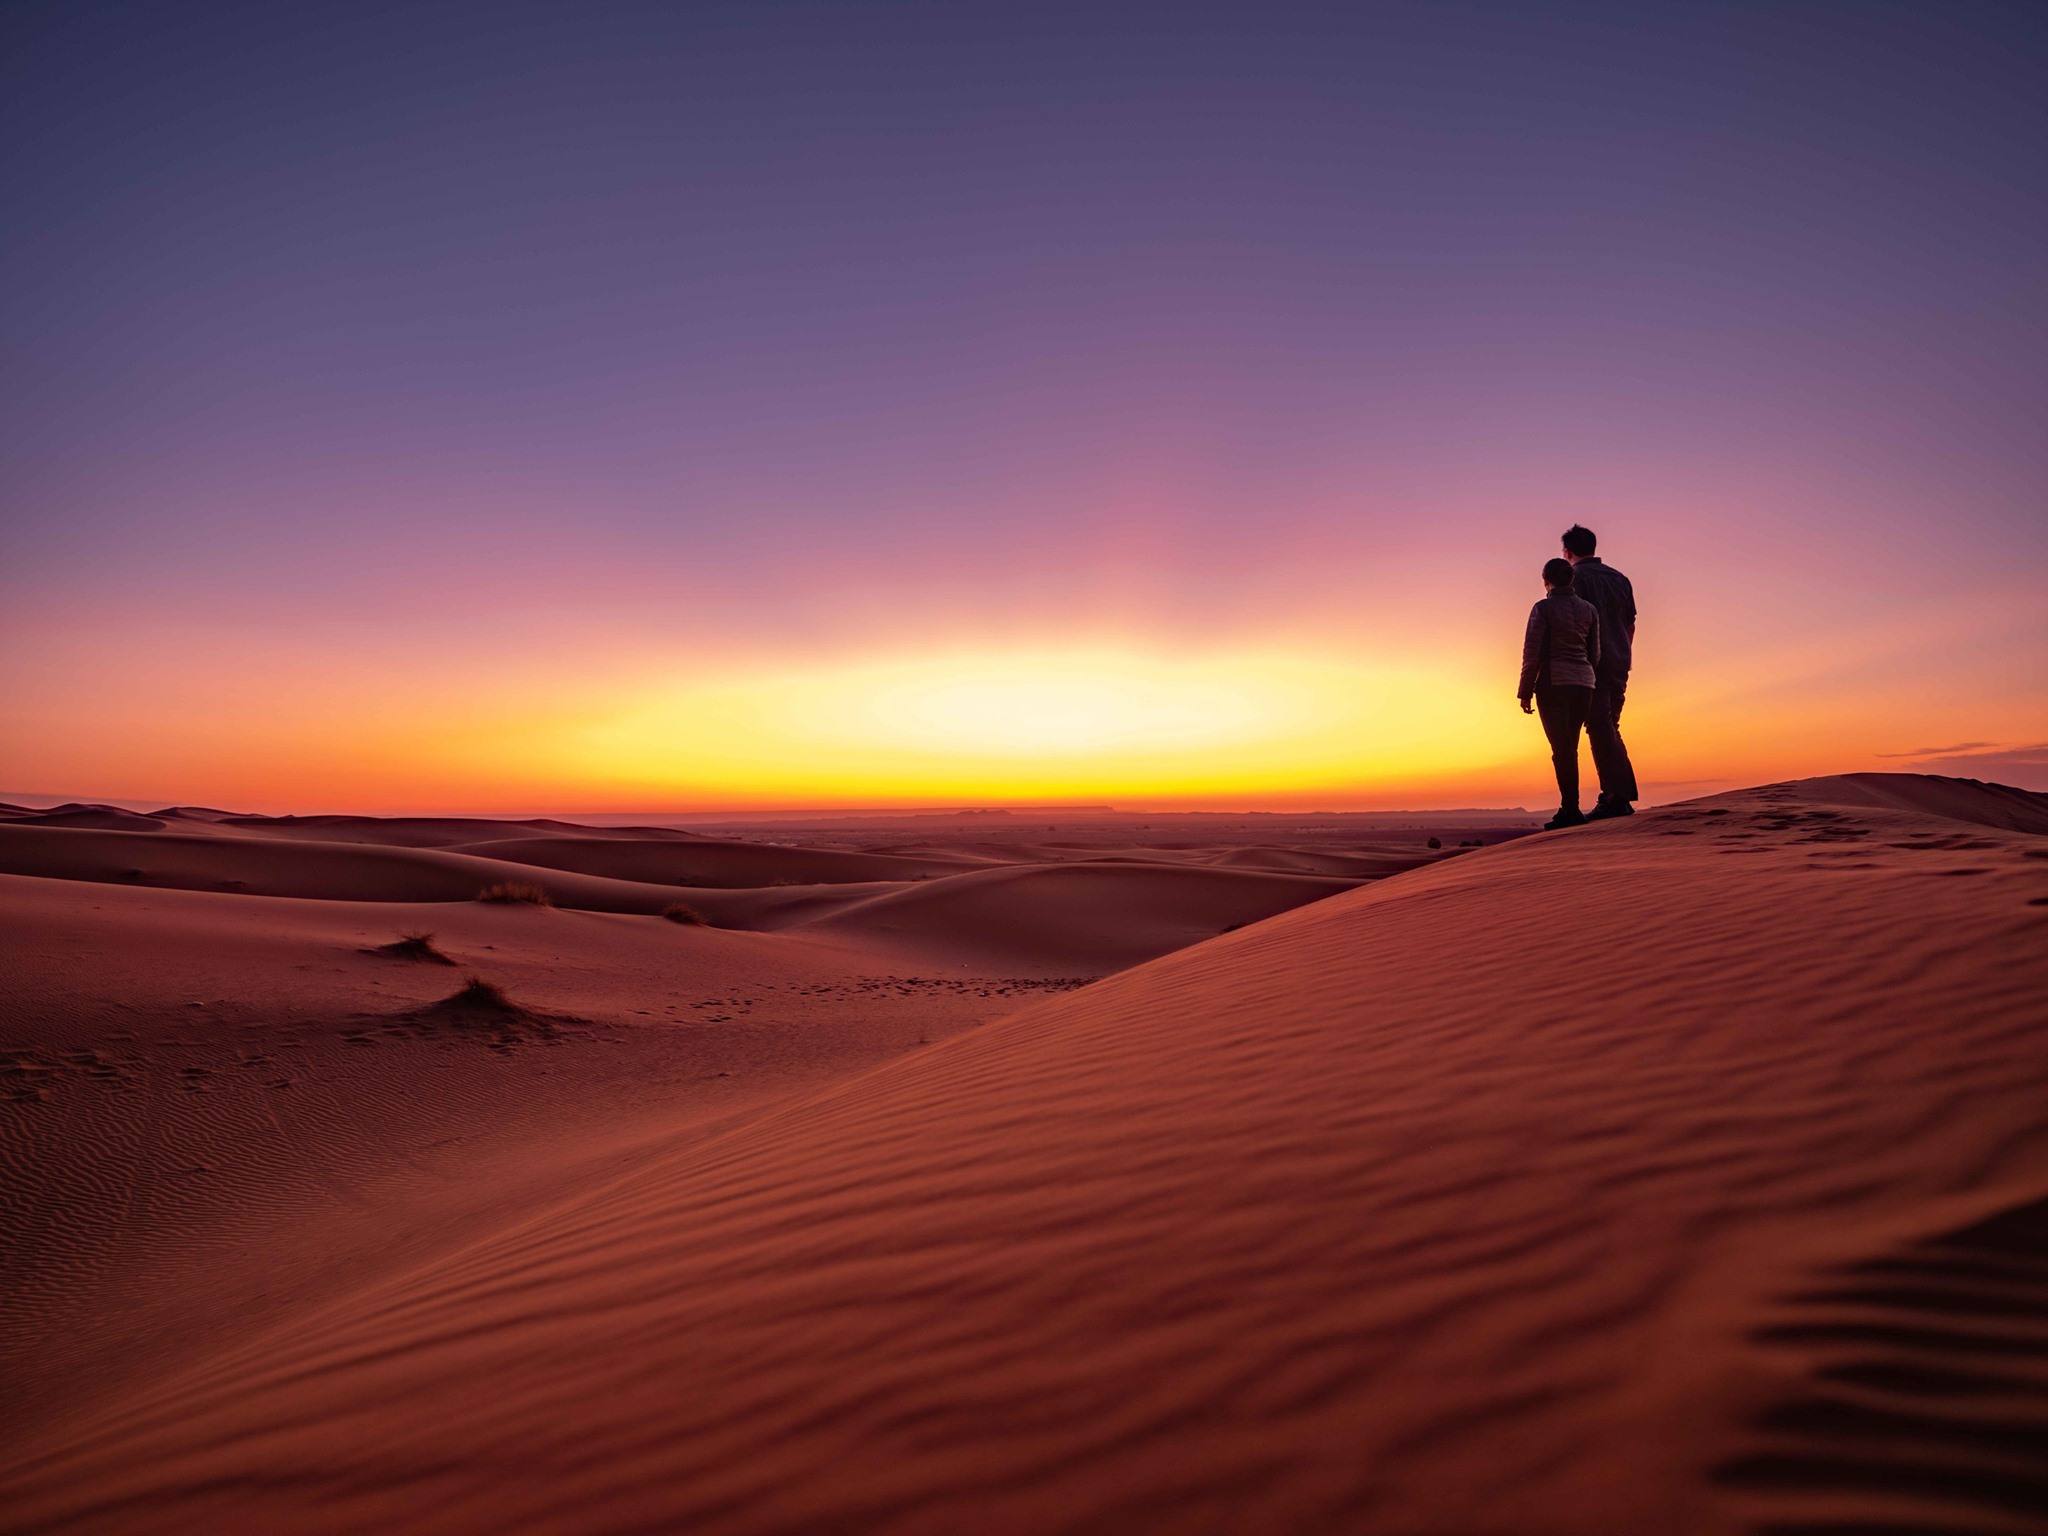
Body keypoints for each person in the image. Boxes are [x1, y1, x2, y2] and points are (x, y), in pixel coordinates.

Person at [1560, 524, 1638, 818]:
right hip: (1619, 659)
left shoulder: (1574, 578)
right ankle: (1617, 794)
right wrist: (1625, 652)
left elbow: (1575, 623)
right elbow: (1631, 623)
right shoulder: (1620, 579)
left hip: (1592, 664)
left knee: (1600, 727)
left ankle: (1617, 797)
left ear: (1567, 552)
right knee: (1608, 725)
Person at [1518, 557, 1601, 829]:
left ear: (1547, 580)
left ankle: (1570, 809)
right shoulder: (1589, 610)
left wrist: (1525, 690)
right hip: (1584, 683)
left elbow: (1532, 652)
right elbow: (1595, 653)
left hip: (1554, 683)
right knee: (1570, 747)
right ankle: (1570, 807)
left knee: (1561, 750)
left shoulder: (1543, 608)